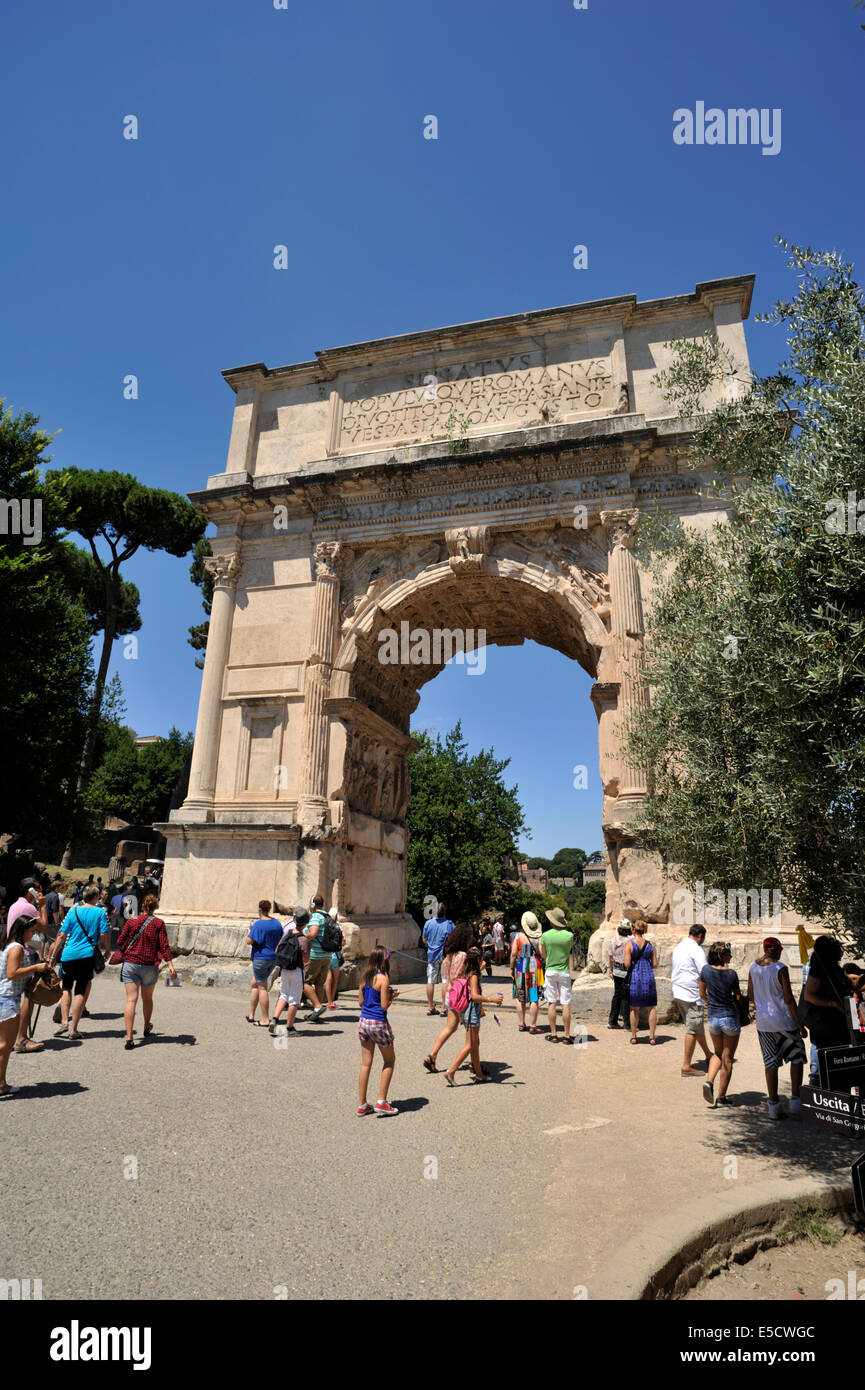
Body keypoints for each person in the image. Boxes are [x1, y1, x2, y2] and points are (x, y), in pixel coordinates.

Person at [748, 937, 807, 1119]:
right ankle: (796, 1102)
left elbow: (751, 995)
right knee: (796, 1058)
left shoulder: (753, 966)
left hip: (764, 1023)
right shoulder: (780, 968)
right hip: (784, 1021)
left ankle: (774, 1106)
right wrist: (799, 1023)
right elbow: (789, 998)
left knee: (770, 1063)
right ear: (776, 950)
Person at [115, 894, 176, 1050]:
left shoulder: (132, 922)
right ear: (155, 907)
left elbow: (120, 941)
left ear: (142, 906)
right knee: (147, 998)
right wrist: (170, 964)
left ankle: (129, 1037)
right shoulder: (158, 923)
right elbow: (164, 945)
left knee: (131, 1000)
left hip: (131, 964)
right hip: (149, 964)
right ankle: (146, 1026)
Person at [48, 884, 110, 1040]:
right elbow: (103, 934)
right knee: (81, 991)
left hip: (68, 955)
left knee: (66, 988)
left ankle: (64, 1022)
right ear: (96, 897)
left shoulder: (73, 911)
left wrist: (52, 957)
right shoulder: (99, 912)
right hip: (87, 955)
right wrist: (107, 950)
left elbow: (61, 935)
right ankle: (74, 1029)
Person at [0, 917, 52, 1095]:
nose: (33, 935)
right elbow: (12, 973)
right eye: (32, 931)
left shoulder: (8, 945)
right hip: (7, 1000)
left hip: (5, 997)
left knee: (4, 1046)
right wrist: (36, 968)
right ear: (23, 931)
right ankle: (1, 1085)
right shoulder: (17, 948)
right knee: (5, 1046)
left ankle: (2, 1083)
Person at [443, 947, 503, 1085]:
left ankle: (480, 1074)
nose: (483, 961)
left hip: (466, 1012)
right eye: (481, 959)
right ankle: (451, 1071)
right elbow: (475, 996)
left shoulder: (467, 972)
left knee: (475, 1044)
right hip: (471, 1012)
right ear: (477, 961)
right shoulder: (474, 975)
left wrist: (480, 969)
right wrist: (491, 1000)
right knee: (470, 1045)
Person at [5, 880, 48, 1055]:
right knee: (29, 996)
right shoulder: (29, 908)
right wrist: (43, 906)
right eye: (38, 888)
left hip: (16, 950)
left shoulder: (15, 905)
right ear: (30, 890)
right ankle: (22, 1039)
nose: (40, 891)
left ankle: (17, 1037)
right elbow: (44, 927)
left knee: (18, 996)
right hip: (27, 953)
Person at [423, 923, 473, 1073]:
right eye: (470, 935)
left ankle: (432, 1055)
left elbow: (447, 977)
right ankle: (474, 1063)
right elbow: (457, 976)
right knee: (471, 1030)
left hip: (451, 995)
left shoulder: (449, 956)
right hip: (461, 996)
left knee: (450, 1027)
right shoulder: (463, 955)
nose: (472, 938)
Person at [699, 942, 742, 1107]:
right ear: (722, 956)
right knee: (728, 1058)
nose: (730, 956)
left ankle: (709, 1081)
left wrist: (712, 1002)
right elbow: (737, 996)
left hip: (713, 1017)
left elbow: (702, 993)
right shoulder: (731, 974)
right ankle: (721, 1097)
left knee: (717, 1053)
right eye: (728, 954)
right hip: (729, 1016)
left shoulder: (705, 970)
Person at [357, 947, 399, 1115]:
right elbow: (384, 1005)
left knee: (366, 1063)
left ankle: (362, 1104)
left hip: (364, 1021)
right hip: (378, 1022)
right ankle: (381, 1101)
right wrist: (391, 997)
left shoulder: (364, 978)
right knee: (389, 1061)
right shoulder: (383, 979)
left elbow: (361, 1002)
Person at [803, 934, 854, 1066]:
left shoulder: (834, 968)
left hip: (838, 1025)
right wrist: (832, 1004)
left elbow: (850, 981)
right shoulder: (818, 970)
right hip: (825, 1024)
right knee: (825, 1062)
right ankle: (816, 1082)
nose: (841, 950)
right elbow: (808, 995)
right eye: (838, 948)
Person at [671, 924, 712, 1075]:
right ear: (700, 936)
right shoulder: (696, 949)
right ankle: (686, 1066)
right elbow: (705, 972)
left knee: (695, 1025)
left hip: (679, 991)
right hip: (692, 994)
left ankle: (708, 1055)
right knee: (692, 1029)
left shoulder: (679, 947)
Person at [269, 911, 308, 1036]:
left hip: (284, 969)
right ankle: (289, 1027)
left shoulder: (287, 933)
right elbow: (306, 959)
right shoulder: (303, 939)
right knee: (294, 999)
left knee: (283, 995)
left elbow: (277, 950)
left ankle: (274, 1019)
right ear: (305, 923)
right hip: (297, 970)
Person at [540, 907, 575, 1043]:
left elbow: (543, 954)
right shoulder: (569, 936)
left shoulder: (545, 935)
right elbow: (569, 951)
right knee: (565, 1003)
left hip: (550, 970)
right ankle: (566, 1035)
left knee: (551, 1003)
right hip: (564, 971)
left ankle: (554, 1033)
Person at [245, 900, 283, 1026]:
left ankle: (265, 1019)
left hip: (261, 958)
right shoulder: (277, 923)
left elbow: (249, 941)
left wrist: (249, 931)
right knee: (255, 982)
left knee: (262, 987)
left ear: (259, 909)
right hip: (272, 958)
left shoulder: (258, 924)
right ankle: (251, 1014)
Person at [510, 912, 545, 1034]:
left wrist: (511, 968)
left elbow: (513, 954)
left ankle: (521, 1023)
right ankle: (533, 1025)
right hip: (535, 967)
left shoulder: (518, 936)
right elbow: (541, 952)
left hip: (520, 967)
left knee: (520, 996)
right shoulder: (539, 937)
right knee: (534, 997)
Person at [624, 919, 657, 1043]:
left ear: (633, 929)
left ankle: (634, 1036)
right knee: (651, 1008)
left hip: (635, 977)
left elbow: (627, 964)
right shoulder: (650, 945)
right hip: (648, 976)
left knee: (634, 1008)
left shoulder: (629, 944)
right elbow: (655, 964)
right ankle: (652, 1037)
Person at [422, 903, 453, 1016]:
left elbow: (424, 940)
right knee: (445, 981)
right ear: (444, 912)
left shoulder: (428, 923)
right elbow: (452, 940)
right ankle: (444, 1008)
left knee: (430, 981)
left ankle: (430, 1007)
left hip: (432, 955)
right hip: (445, 956)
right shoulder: (449, 924)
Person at [302, 896, 330, 1022]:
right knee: (319, 983)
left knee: (305, 983)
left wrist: (301, 937)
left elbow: (313, 934)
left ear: (313, 905)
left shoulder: (315, 917)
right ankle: (316, 1012)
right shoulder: (328, 916)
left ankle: (317, 1007)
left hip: (315, 955)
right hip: (327, 955)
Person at [607, 921, 632, 1030]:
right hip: (626, 972)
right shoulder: (629, 941)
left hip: (616, 971)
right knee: (626, 996)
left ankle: (612, 1020)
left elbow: (610, 958)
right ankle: (627, 1024)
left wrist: (611, 970)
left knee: (617, 995)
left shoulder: (613, 940)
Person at [324, 907, 344, 1011]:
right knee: (335, 980)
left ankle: (328, 1002)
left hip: (327, 954)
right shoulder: (338, 927)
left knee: (328, 978)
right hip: (335, 954)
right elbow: (343, 941)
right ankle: (332, 1002)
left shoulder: (325, 926)